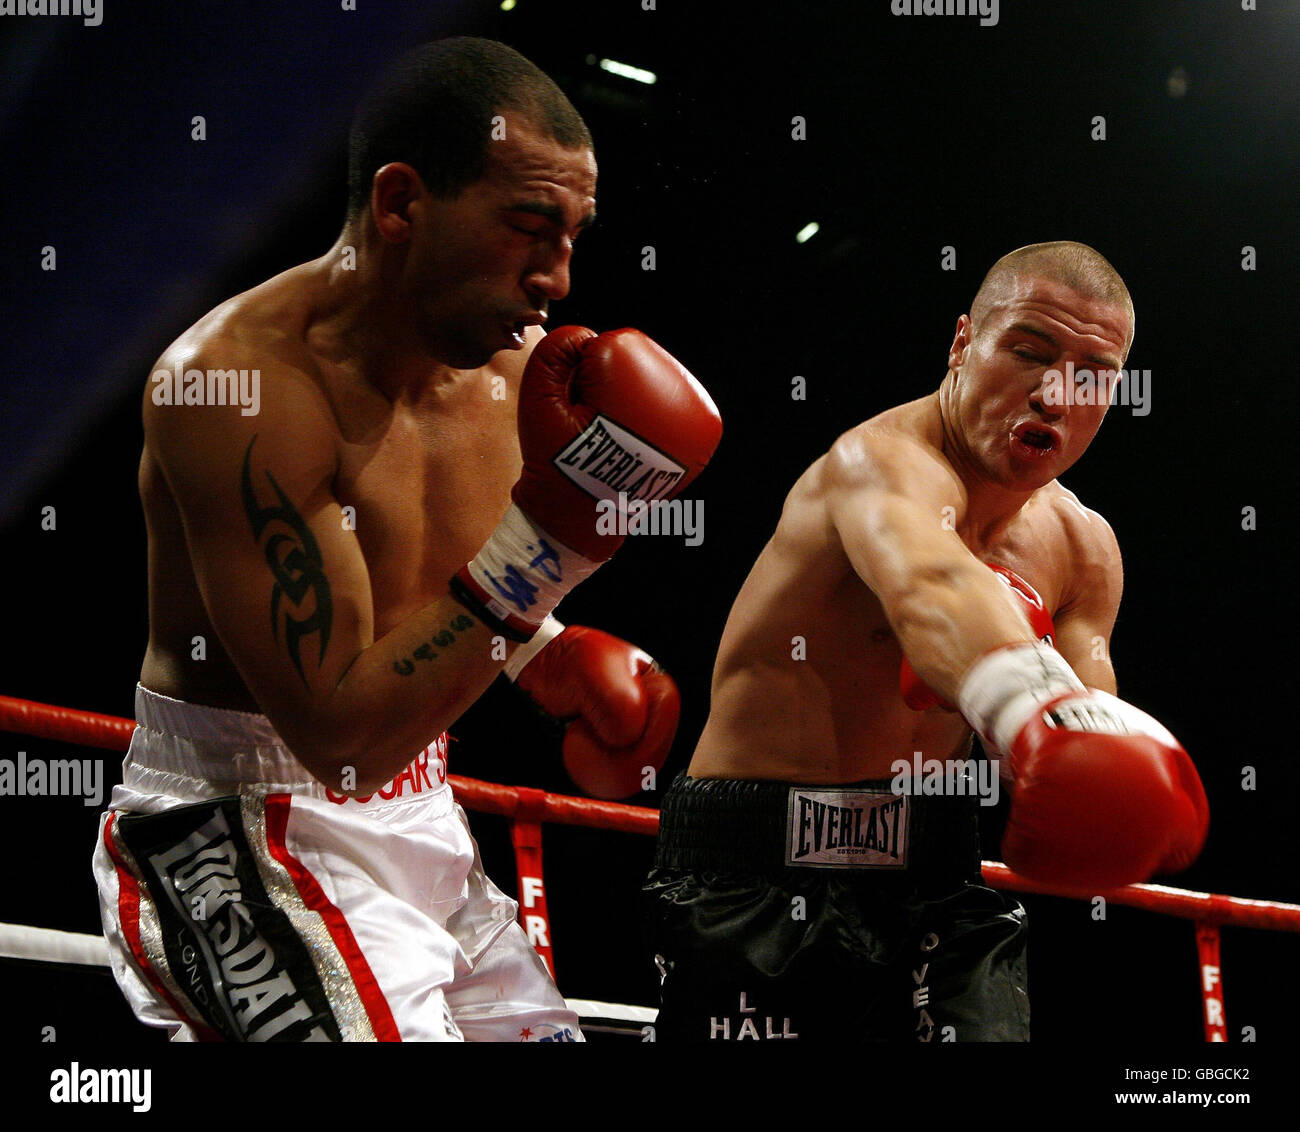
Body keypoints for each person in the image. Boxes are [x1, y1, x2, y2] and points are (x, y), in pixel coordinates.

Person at [90, 37, 721, 1043]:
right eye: (528, 228)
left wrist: (548, 653)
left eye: (574, 235)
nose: (556, 277)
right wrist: (550, 546)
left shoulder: (521, 377)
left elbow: (441, 598)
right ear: (400, 204)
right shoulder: (241, 390)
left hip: (419, 811)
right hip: (235, 819)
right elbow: (339, 740)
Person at [644, 241, 1208, 1042]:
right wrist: (1025, 705)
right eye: (1028, 351)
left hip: (932, 867)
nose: (1054, 392)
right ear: (961, 344)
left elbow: (1083, 717)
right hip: (757, 861)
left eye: (1093, 374)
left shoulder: (1086, 547)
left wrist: (1107, 779)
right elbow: (932, 587)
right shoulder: (875, 463)